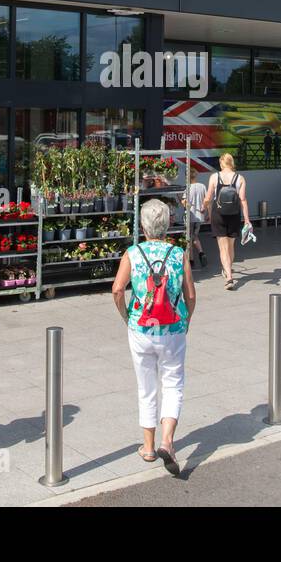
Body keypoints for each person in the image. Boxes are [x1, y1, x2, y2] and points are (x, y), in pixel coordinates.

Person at [112, 200, 195, 475]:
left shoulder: (132, 253)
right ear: (168, 224)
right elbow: (191, 294)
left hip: (141, 328)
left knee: (146, 386)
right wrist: (186, 320)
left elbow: (117, 289)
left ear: (142, 226)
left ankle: (148, 448)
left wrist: (127, 317)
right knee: (173, 383)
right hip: (172, 329)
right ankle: (167, 441)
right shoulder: (178, 253)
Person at [203, 152, 250, 290]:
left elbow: (208, 198)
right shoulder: (240, 178)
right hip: (234, 214)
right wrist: (247, 219)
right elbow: (243, 200)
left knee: (223, 248)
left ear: (221, 163)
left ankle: (229, 276)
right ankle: (228, 269)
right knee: (230, 246)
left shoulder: (214, 177)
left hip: (218, 214)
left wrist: (203, 207)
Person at [184, 168, 207, 267]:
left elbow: (185, 203)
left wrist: (179, 198)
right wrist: (208, 214)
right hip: (199, 216)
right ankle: (201, 252)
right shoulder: (202, 186)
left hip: (190, 216)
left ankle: (191, 260)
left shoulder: (188, 188)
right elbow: (207, 201)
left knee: (188, 237)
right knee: (195, 236)